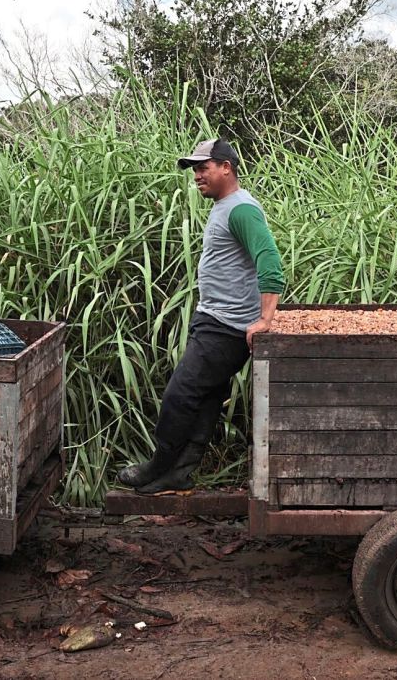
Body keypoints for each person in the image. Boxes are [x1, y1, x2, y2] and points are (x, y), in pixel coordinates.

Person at [117, 138, 285, 494]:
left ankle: (159, 466)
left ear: (226, 167)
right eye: (194, 169)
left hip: (226, 327)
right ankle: (180, 472)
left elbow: (269, 259)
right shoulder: (226, 206)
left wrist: (265, 320)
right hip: (214, 319)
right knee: (206, 397)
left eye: (203, 167)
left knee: (180, 394)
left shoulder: (241, 209)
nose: (197, 175)